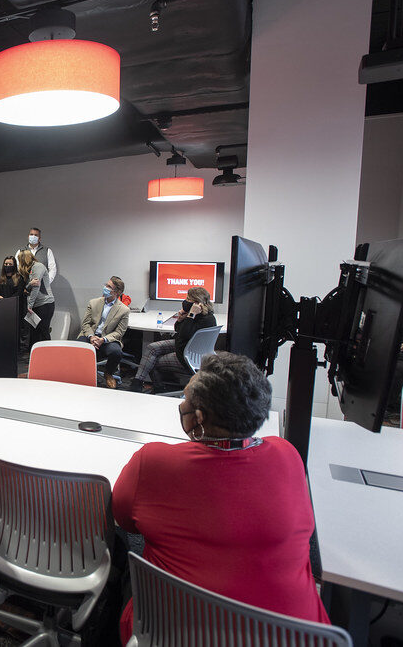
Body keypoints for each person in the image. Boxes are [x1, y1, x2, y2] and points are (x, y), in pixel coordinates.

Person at [113, 352, 329, 643]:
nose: (181, 404)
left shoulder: (153, 462)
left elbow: (124, 519)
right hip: (291, 636)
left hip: (169, 632)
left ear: (198, 417)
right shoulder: (287, 455)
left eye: (186, 399)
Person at [131, 286, 217, 389]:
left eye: (188, 299)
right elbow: (178, 330)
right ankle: (137, 382)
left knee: (151, 361)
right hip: (185, 346)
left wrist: (191, 316)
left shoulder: (205, 319)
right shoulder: (196, 315)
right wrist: (181, 319)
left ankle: (159, 388)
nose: (185, 301)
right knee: (151, 348)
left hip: (188, 356)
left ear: (197, 303)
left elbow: (185, 334)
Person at [78, 276, 131, 388]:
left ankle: (108, 374)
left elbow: (119, 332)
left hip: (108, 338)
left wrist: (103, 339)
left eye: (109, 287)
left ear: (117, 292)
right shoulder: (93, 303)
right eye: (106, 285)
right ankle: (81, 374)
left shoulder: (124, 310)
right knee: (77, 347)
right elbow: (85, 324)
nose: (105, 288)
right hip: (90, 335)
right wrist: (91, 337)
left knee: (116, 352)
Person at [20, 249, 55, 348]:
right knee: (34, 333)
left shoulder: (37, 266)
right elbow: (29, 286)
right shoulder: (31, 269)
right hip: (37, 305)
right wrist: (29, 285)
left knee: (43, 332)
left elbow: (36, 287)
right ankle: (35, 357)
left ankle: (48, 357)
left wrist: (29, 306)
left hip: (44, 304)